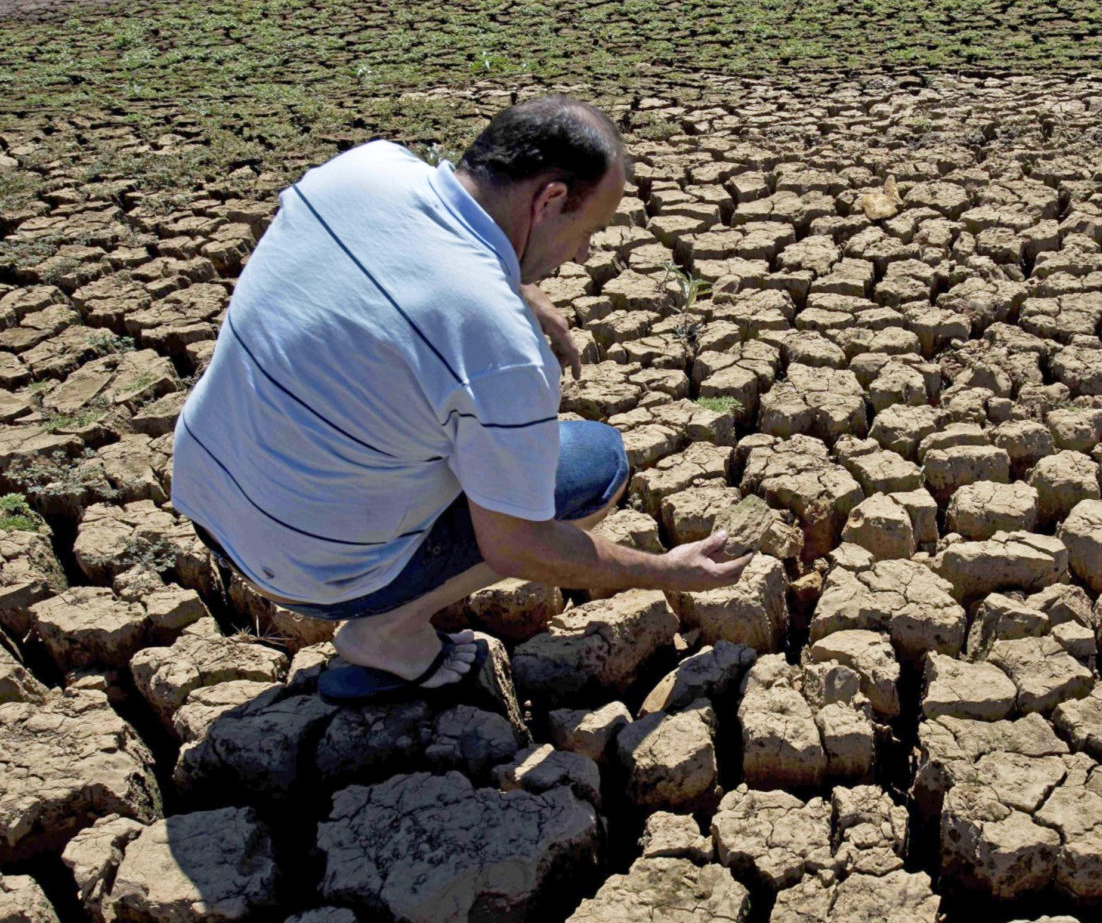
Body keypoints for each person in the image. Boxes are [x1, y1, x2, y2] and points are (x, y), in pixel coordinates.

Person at [171, 95, 751, 703]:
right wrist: (667, 571)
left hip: (206, 495)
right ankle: (389, 631)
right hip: (308, 570)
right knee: (593, 462)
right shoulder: (498, 343)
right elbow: (518, 544)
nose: (583, 254)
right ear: (550, 199)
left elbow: (403, 261)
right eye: (589, 230)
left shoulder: (362, 169)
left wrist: (513, 286)